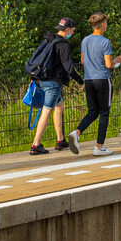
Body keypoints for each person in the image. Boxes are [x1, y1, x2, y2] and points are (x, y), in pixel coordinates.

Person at [70, 12, 121, 156]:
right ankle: (99, 147)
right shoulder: (105, 42)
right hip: (102, 80)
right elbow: (108, 64)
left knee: (93, 111)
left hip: (89, 80)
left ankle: (77, 132)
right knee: (104, 112)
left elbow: (82, 61)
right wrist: (117, 60)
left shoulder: (85, 41)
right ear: (103, 24)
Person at [29, 18, 82, 155]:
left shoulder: (48, 40)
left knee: (59, 105)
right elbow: (69, 68)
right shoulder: (63, 45)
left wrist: (34, 77)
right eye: (73, 31)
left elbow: (38, 60)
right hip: (54, 83)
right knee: (47, 111)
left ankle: (60, 140)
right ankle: (35, 145)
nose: (73, 33)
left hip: (42, 79)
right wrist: (81, 82)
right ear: (68, 30)